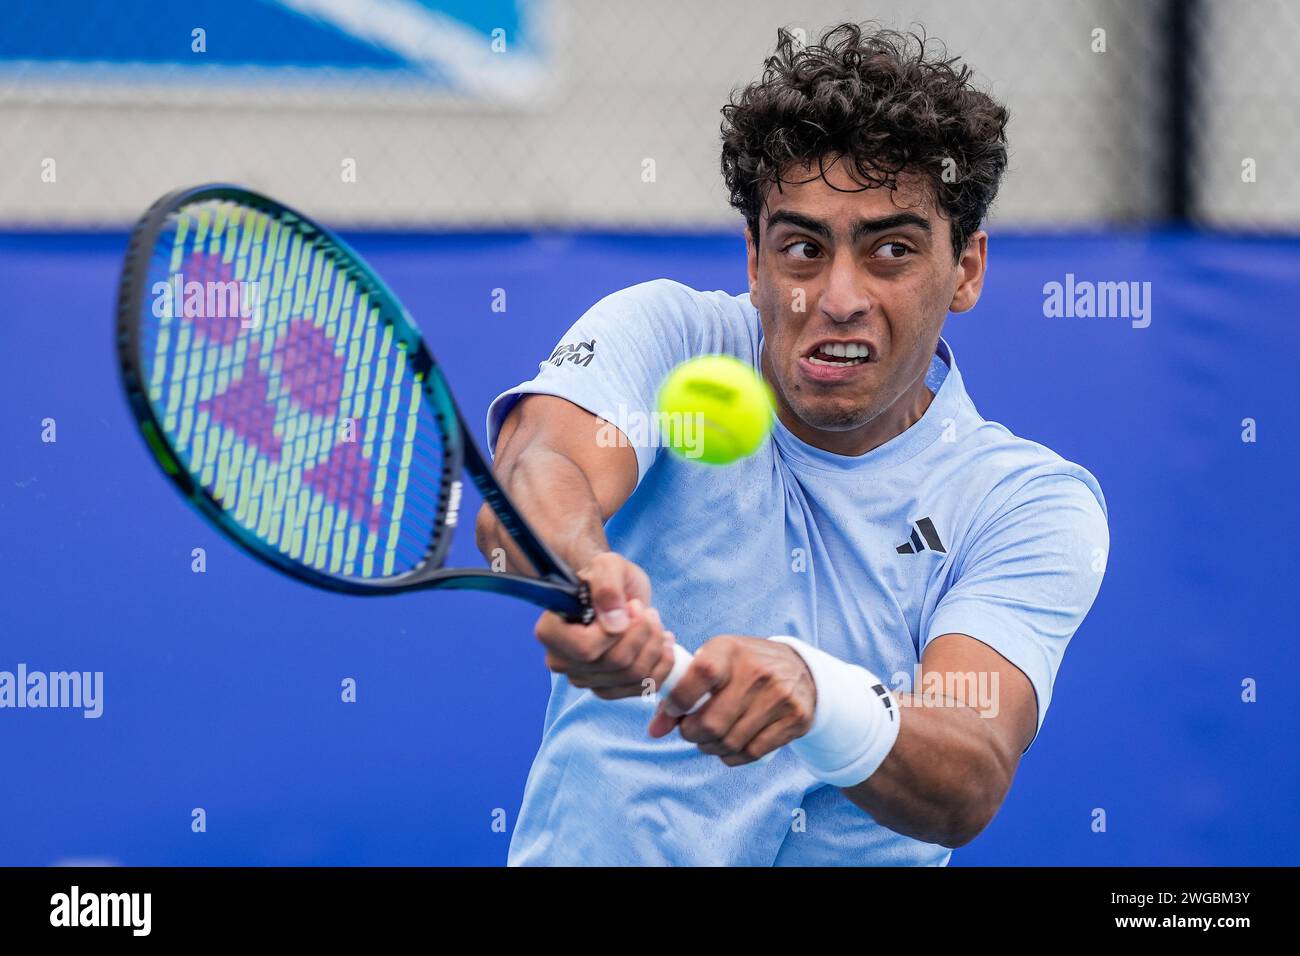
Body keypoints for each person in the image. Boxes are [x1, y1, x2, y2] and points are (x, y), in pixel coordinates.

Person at [476, 22, 1108, 866]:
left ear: (966, 270)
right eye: (803, 249)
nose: (837, 297)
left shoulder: (1027, 502)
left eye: (891, 250)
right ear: (755, 260)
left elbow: (970, 772)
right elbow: (540, 470)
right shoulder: (666, 337)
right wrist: (581, 570)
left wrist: (823, 698)